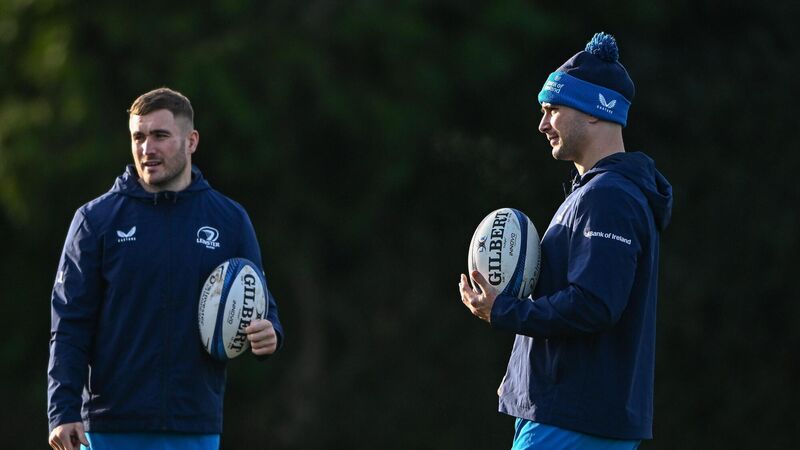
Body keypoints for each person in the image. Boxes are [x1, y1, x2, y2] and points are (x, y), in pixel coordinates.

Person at [460, 32, 673, 449]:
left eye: (552, 110)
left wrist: (505, 310)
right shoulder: (593, 193)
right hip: (566, 416)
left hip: (575, 421)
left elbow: (594, 304)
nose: (542, 125)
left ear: (595, 111)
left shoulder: (609, 197)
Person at [47, 87, 284, 450]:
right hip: (110, 425)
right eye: (138, 137)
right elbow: (69, 325)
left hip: (194, 424)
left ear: (191, 141)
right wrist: (63, 411)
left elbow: (262, 306)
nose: (146, 148)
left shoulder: (230, 220)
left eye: (160, 136)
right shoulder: (95, 220)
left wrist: (270, 334)